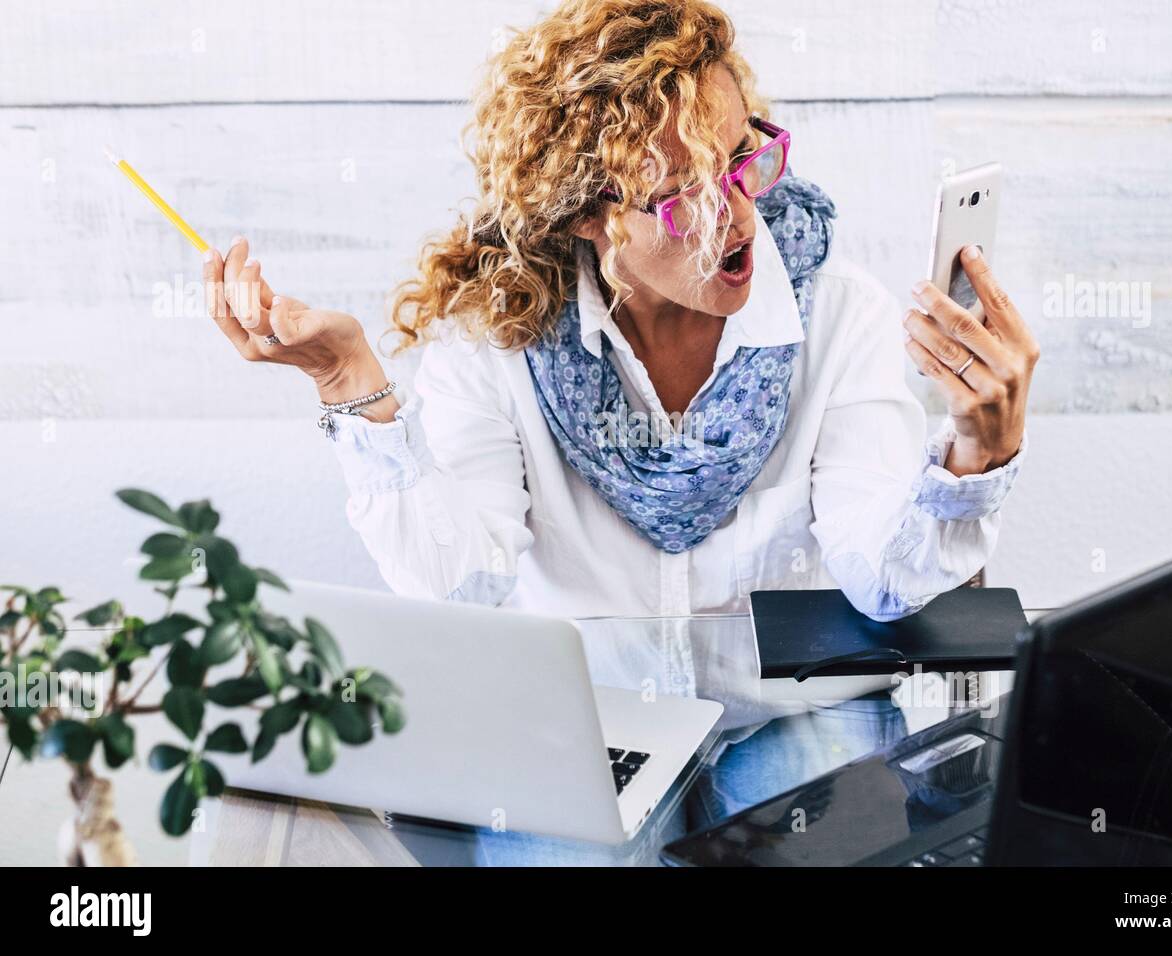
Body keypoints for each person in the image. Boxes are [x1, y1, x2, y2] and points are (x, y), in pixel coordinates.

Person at [201, 0, 1038, 622]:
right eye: (683, 199)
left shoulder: (839, 312)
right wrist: (352, 384)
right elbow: (461, 585)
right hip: (589, 733)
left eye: (744, 158)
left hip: (780, 719)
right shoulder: (499, 338)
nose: (740, 216)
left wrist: (976, 456)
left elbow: (882, 577)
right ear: (585, 217)